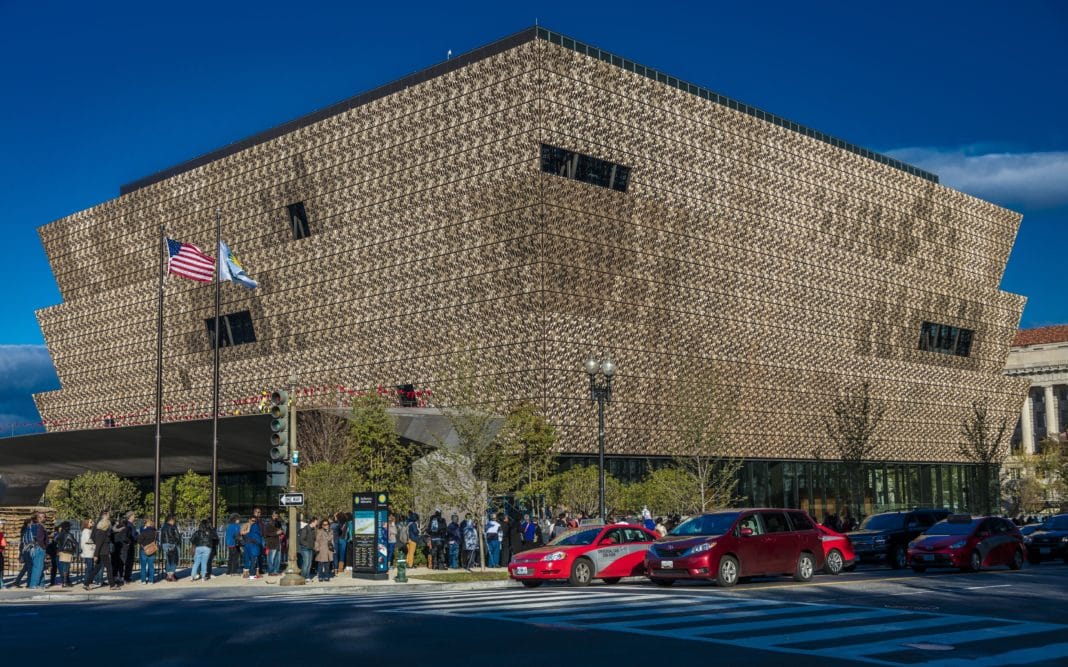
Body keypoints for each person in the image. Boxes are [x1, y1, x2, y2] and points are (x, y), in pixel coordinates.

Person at [83, 512, 112, 590]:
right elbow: (98, 544)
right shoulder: (101, 533)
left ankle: (86, 583)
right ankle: (112, 585)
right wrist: (96, 555)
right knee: (109, 568)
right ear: (105, 525)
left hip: (102, 552)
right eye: (108, 524)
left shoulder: (103, 532)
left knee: (96, 569)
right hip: (103, 552)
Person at [241, 508, 264, 579]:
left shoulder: (259, 522)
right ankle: (246, 573)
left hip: (257, 543)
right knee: (247, 559)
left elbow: (261, 531)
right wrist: (248, 528)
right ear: (249, 519)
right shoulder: (246, 524)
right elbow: (241, 532)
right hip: (248, 543)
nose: (258, 513)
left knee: (256, 558)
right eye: (257, 512)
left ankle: (256, 572)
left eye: (259, 512)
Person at [53, 521, 78, 587]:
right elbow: (75, 542)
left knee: (64, 567)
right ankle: (65, 582)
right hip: (67, 552)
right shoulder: (69, 534)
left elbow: (55, 540)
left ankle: (65, 582)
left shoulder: (60, 534)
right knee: (66, 567)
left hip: (61, 552)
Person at [160, 515, 181, 582]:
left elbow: (161, 537)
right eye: (174, 520)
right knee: (175, 559)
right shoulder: (173, 526)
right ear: (171, 520)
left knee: (168, 559)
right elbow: (175, 536)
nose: (174, 522)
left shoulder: (163, 527)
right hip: (172, 544)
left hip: (165, 544)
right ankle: (171, 574)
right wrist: (177, 541)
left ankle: (168, 575)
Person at [137, 519, 158, 584]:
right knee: (151, 565)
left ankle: (143, 580)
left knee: (143, 566)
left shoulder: (144, 532)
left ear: (146, 524)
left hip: (144, 550)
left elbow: (139, 541)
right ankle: (151, 580)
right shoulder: (154, 532)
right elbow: (157, 540)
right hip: (152, 549)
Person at [298, 515, 317, 579]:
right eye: (316, 522)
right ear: (312, 522)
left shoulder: (313, 530)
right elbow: (301, 540)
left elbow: (314, 539)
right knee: (306, 562)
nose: (316, 524)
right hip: (305, 548)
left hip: (311, 548)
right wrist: (308, 545)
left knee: (309, 563)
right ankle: (303, 576)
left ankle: (307, 576)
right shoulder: (305, 529)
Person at [122, 512, 138, 583]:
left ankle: (126, 576)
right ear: (130, 516)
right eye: (133, 515)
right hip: (129, 545)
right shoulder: (129, 525)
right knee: (129, 562)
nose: (134, 517)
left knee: (128, 562)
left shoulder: (128, 524)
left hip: (128, 544)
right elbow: (132, 535)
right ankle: (127, 577)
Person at [0, 519, 6, 589]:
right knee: (0, 569)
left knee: (1, 568)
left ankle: (1, 583)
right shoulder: (1, 534)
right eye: (1, 524)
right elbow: (3, 544)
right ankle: (1, 583)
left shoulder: (1, 534)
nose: (2, 526)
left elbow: (4, 544)